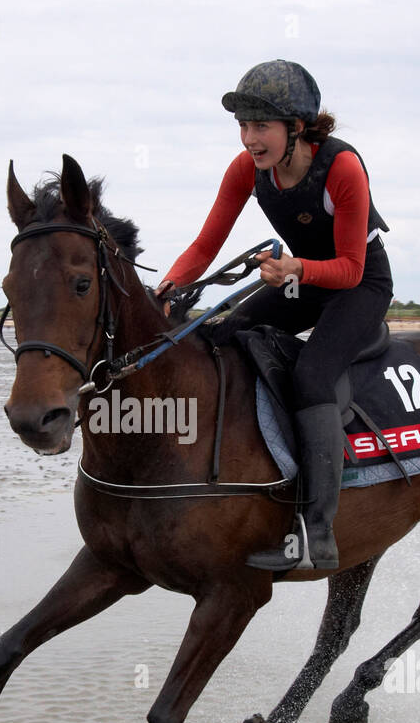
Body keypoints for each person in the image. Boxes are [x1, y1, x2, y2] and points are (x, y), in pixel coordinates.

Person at [154, 59, 393, 571]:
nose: (248, 139)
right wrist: (169, 290)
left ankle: (318, 530)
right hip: (299, 278)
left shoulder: (343, 168)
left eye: (259, 126)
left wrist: (294, 268)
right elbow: (204, 244)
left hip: (357, 286)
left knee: (312, 376)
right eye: (242, 125)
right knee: (225, 335)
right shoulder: (247, 169)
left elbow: (350, 270)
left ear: (297, 128)